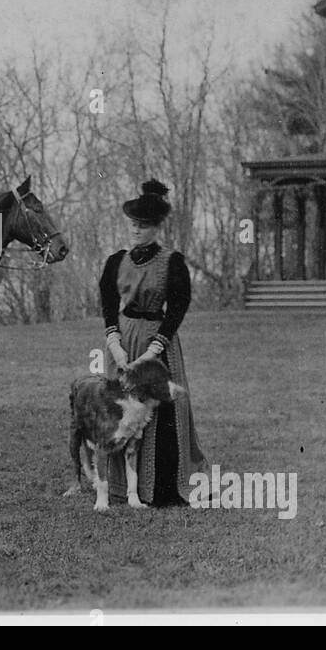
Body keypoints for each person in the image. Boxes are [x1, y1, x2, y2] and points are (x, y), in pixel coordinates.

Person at [98, 179, 207, 506]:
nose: (136, 231)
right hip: (124, 340)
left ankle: (163, 488)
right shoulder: (116, 261)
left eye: (144, 226)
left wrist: (155, 348)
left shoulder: (173, 262)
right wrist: (114, 343)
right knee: (120, 407)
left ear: (157, 228)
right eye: (133, 224)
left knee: (164, 408)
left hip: (158, 343)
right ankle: (118, 486)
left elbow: (178, 306)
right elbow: (107, 305)